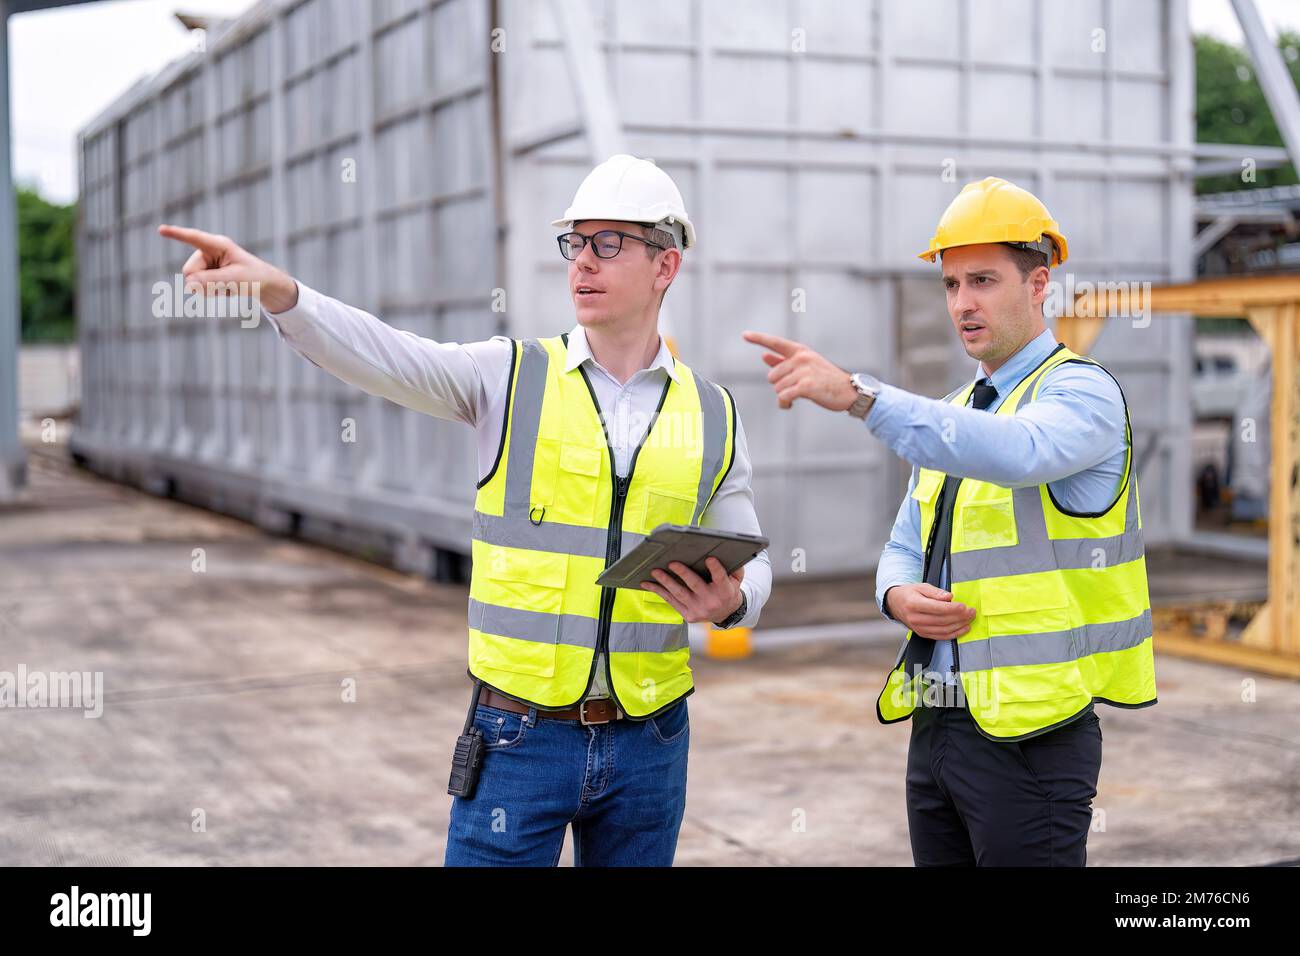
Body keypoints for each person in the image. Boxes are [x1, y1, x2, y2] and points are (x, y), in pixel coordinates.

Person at [159, 153, 772, 867]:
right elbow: (386, 356)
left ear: (665, 265)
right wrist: (281, 292)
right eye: (576, 242)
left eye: (610, 243)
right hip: (518, 740)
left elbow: (751, 562)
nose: (583, 263)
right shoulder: (508, 376)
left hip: (652, 742)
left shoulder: (714, 413)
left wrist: (731, 604)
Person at [741, 176, 1156, 866]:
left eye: (984, 281)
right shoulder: (958, 407)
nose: (963, 303)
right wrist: (896, 594)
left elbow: (1020, 453)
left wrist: (859, 396)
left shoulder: (1082, 390)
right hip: (937, 724)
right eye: (952, 284)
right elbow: (906, 543)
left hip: (1033, 734)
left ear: (1038, 283)